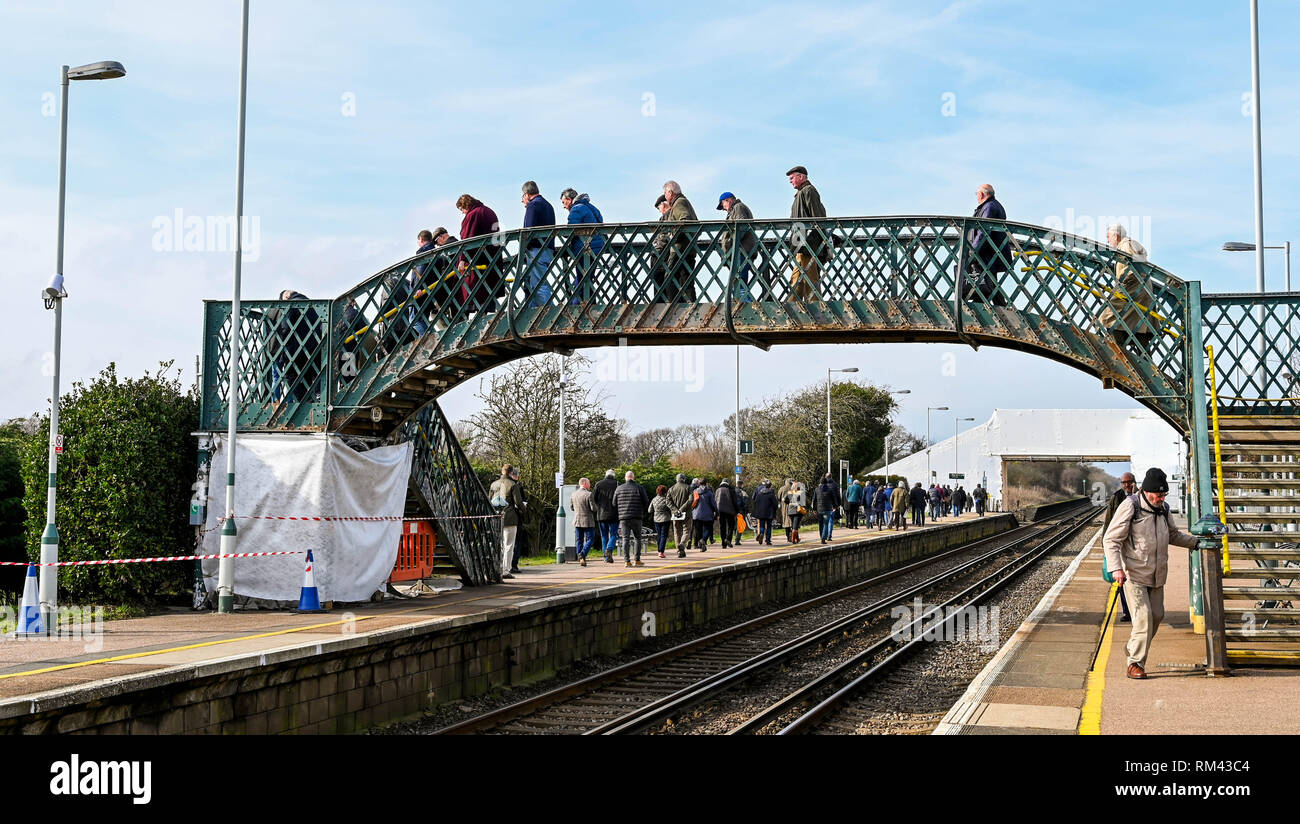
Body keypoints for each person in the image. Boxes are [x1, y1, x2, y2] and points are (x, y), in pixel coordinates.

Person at [1102, 468, 1199, 680]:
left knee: (1157, 616)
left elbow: (1173, 535)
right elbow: (1111, 539)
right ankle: (1135, 663)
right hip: (1134, 574)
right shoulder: (1131, 506)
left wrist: (1197, 542)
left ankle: (1132, 647)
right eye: (1159, 494)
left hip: (1157, 575)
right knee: (1143, 618)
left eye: (1164, 495)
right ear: (1147, 491)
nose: (1162, 498)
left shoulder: (1163, 509)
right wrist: (1116, 568)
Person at [1098, 223, 1154, 352]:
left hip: (1133, 290)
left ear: (1115, 236)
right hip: (1140, 292)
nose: (1107, 240)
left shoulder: (1125, 245)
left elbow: (1134, 269)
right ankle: (1140, 356)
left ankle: (1119, 350)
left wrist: (1122, 283)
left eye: (1108, 237)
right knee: (1139, 324)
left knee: (1107, 316)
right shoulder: (1130, 244)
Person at [272, 290, 324, 405]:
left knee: (292, 378)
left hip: (295, 351)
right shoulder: (310, 306)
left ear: (286, 297)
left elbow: (286, 327)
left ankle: (301, 405)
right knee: (307, 377)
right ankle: (310, 401)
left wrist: (282, 344)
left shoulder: (292, 305)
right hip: (312, 349)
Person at [455, 194, 504, 310]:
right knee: (489, 293)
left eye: (462, 209)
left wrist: (462, 259)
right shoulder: (488, 211)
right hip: (493, 257)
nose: (462, 212)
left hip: (479, 260)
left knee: (477, 295)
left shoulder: (473, 214)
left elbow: (468, 239)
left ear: (465, 205)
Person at [964, 183, 1010, 307]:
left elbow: (983, 232)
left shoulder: (989, 207)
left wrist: (973, 250)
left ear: (981, 194)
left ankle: (998, 310)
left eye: (977, 194)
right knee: (989, 283)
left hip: (988, 253)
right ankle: (1000, 310)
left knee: (988, 282)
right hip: (991, 253)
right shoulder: (992, 205)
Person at [1103, 472, 1140, 623]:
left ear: (1134, 482)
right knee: (1122, 579)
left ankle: (1135, 611)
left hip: (1135, 544)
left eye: (1129, 482)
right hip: (1120, 542)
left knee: (1135, 579)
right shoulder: (1116, 497)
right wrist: (1106, 542)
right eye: (1124, 482)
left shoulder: (1140, 496)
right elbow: (1109, 519)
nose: (1127, 485)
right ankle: (1127, 612)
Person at [787, 165, 827, 301]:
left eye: (792, 178)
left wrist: (814, 237)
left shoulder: (808, 191)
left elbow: (818, 217)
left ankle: (815, 307)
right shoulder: (803, 192)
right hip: (802, 241)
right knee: (799, 276)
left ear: (801, 177)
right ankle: (792, 306)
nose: (790, 181)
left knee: (809, 276)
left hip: (806, 242)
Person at [561, 188, 605, 304]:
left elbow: (569, 231)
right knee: (587, 280)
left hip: (585, 248)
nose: (563, 206)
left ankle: (579, 309)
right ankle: (591, 306)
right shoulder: (591, 207)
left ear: (569, 200)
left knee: (582, 281)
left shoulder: (576, 209)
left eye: (563, 202)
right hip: (597, 247)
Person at [521, 181, 556, 308]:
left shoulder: (533, 205)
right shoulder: (548, 205)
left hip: (536, 250)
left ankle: (551, 315)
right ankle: (533, 314)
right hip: (547, 248)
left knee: (538, 285)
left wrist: (524, 246)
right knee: (533, 283)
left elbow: (528, 231)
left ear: (526, 194)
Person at [662, 181, 699, 303]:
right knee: (685, 280)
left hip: (680, 248)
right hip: (688, 248)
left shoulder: (679, 203)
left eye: (665, 193)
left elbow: (685, 221)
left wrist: (674, 236)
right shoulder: (683, 201)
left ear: (670, 192)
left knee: (670, 277)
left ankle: (673, 307)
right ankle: (690, 307)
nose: (665, 197)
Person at [488, 465, 526, 579]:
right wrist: (523, 510)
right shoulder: (513, 485)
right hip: (510, 517)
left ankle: (496, 568)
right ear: (510, 472)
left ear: (502, 471)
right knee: (509, 545)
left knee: (499, 544)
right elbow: (518, 502)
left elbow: (489, 500)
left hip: (496, 516)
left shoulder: (493, 484)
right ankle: (505, 570)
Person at [718, 192, 757, 300]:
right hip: (740, 251)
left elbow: (741, 227)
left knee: (739, 283)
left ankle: (748, 308)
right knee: (739, 282)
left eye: (723, 205)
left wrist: (731, 242)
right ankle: (744, 307)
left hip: (742, 251)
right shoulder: (736, 209)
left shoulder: (738, 207)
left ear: (728, 200)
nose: (723, 208)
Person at [614, 471, 649, 567]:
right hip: (637, 517)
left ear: (626, 478)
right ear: (633, 478)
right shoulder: (639, 488)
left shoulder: (619, 489)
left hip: (623, 517)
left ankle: (627, 561)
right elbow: (646, 501)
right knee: (638, 538)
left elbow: (614, 503)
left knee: (625, 538)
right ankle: (637, 560)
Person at [593, 469, 620, 563]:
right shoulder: (617, 484)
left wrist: (599, 507)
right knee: (613, 534)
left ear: (606, 475)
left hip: (601, 514)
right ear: (613, 476)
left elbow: (594, 498)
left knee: (604, 536)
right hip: (614, 514)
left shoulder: (598, 484)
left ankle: (606, 557)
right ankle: (609, 549)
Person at [649, 194, 673, 301]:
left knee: (660, 282)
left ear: (663, 205)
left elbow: (663, 237)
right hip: (664, 253)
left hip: (663, 254)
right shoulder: (666, 217)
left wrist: (656, 251)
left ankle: (660, 306)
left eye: (659, 207)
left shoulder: (668, 217)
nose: (659, 210)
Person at [666, 473, 693, 558]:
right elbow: (691, 500)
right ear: (684, 479)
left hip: (675, 515)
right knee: (687, 531)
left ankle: (679, 551)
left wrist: (675, 510)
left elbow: (668, 502)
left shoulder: (671, 489)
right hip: (686, 514)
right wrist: (681, 509)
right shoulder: (688, 488)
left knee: (677, 532)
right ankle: (682, 544)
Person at [571, 477, 596, 567]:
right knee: (590, 539)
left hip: (577, 520)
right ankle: (583, 553)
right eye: (589, 483)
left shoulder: (573, 494)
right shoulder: (589, 494)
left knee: (579, 539)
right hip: (588, 520)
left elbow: (571, 507)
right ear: (584, 483)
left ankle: (581, 557)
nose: (590, 485)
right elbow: (593, 508)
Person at [814, 474, 841, 543]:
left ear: (820, 482)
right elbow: (834, 499)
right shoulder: (830, 490)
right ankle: (823, 538)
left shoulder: (817, 490)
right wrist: (835, 506)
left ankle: (821, 536)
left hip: (819, 510)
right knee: (826, 523)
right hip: (827, 510)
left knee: (820, 523)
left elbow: (814, 500)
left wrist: (814, 509)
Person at [692, 479, 717, 551]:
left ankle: (700, 542)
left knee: (698, 530)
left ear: (699, 484)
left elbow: (692, 502)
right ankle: (703, 539)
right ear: (706, 484)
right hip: (707, 514)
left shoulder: (695, 491)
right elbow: (713, 504)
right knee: (708, 529)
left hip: (696, 514)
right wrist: (716, 512)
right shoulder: (709, 493)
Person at [650, 484, 673, 559]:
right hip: (665, 519)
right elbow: (670, 508)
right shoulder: (666, 499)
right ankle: (661, 551)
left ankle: (659, 550)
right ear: (665, 492)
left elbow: (649, 510)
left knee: (659, 535)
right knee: (664, 535)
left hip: (656, 519)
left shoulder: (654, 499)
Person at [752, 479, 777, 546]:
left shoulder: (759, 494)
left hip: (761, 513)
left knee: (762, 525)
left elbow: (755, 502)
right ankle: (768, 540)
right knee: (769, 526)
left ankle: (761, 533)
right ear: (770, 486)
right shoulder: (771, 494)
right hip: (769, 513)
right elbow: (775, 504)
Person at [715, 478, 739, 548]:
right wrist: (737, 511)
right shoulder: (731, 489)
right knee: (731, 525)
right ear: (728, 483)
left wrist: (716, 512)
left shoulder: (717, 490)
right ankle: (728, 539)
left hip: (720, 511)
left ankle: (723, 543)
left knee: (722, 526)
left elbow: (715, 500)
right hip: (730, 511)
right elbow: (734, 501)